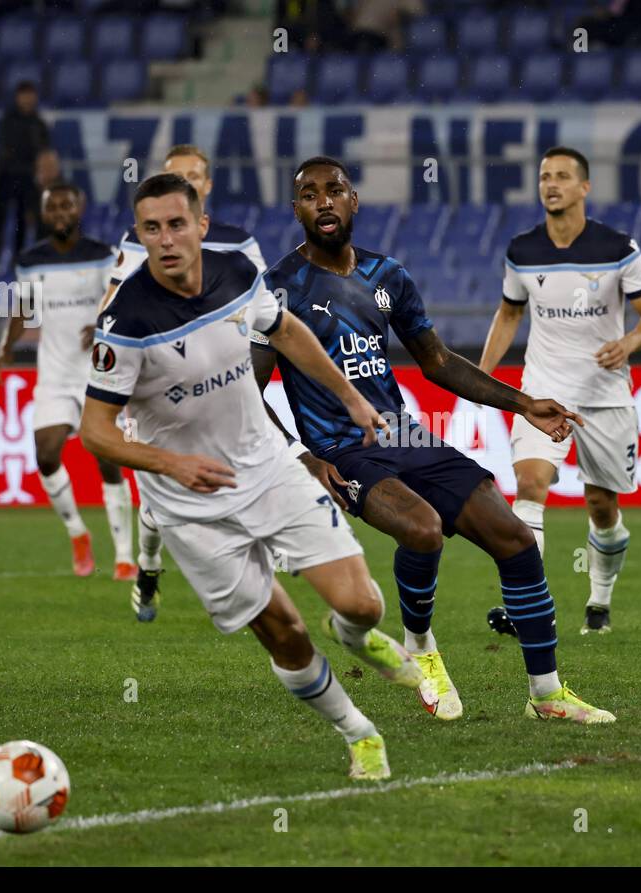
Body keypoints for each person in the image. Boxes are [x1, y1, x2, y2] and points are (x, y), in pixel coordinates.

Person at [253, 155, 616, 724]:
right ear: (295, 209)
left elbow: (439, 362)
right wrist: (302, 457)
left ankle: (546, 695)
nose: (323, 201)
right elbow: (247, 396)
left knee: (516, 538)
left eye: (334, 190)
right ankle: (421, 648)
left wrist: (524, 402)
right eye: (308, 194)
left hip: (404, 434)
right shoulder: (276, 290)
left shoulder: (387, 276)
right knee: (422, 531)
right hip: (341, 450)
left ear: (354, 201)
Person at [80, 173, 406, 780]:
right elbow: (95, 431)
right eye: (151, 228)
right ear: (140, 235)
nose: (166, 239)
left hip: (268, 469)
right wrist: (171, 463)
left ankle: (353, 634)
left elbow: (286, 331)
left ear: (201, 225)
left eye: (177, 224)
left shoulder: (237, 275)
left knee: (362, 605)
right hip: (190, 504)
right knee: (284, 633)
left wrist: (352, 399)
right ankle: (358, 731)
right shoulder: (125, 323)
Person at [480, 146, 641, 636]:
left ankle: (599, 603)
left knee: (602, 508)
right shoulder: (522, 250)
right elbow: (510, 314)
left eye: (562, 176)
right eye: (544, 177)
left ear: (584, 187)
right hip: (542, 392)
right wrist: (481, 376)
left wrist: (628, 342)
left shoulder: (619, 248)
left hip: (606, 395)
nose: (551, 184)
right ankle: (528, 609)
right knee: (531, 488)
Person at [97, 144, 267, 624]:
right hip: (160, 385)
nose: (188, 183)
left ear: (208, 186)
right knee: (162, 494)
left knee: (251, 473)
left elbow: (267, 313)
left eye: (195, 176)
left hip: (228, 381)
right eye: (178, 176)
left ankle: (276, 555)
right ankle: (149, 565)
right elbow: (112, 304)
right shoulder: (139, 238)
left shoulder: (238, 243)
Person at [0, 182, 134, 579]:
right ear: (42, 213)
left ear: (79, 208)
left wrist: (103, 323)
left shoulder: (102, 255)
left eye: (66, 206)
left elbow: (120, 298)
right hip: (54, 376)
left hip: (98, 373)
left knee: (108, 459)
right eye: (51, 207)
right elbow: (23, 309)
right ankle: (77, 533)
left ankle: (124, 554)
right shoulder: (30, 260)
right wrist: (5, 347)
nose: (59, 213)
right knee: (46, 452)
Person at [0, 81, 49, 272]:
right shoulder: (9, 120)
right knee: (0, 217)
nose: (28, 99)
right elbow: (12, 148)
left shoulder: (39, 123)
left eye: (30, 95)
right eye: (24, 95)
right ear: (17, 97)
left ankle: (18, 257)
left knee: (22, 220)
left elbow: (43, 151)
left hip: (27, 178)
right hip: (6, 175)